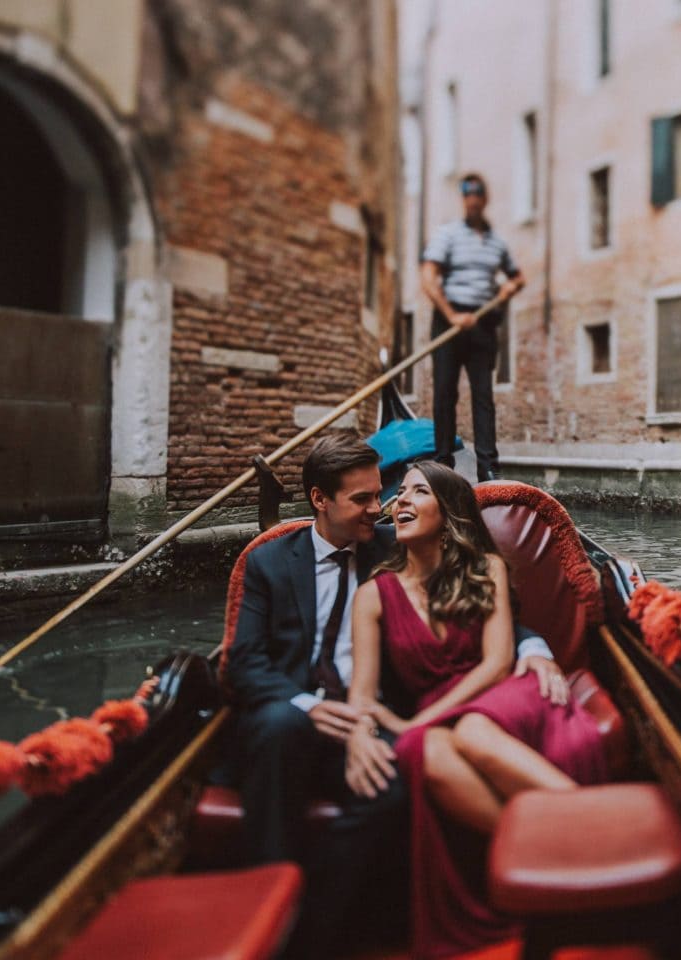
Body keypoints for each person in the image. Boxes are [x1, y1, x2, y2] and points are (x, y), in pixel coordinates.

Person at [226, 435, 569, 957]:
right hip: (295, 711)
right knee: (277, 728)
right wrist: (315, 708)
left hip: (374, 713)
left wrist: (535, 646)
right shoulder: (269, 563)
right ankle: (262, 916)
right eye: (362, 499)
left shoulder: (394, 546)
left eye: (378, 493)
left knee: (393, 789)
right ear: (321, 500)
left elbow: (471, 595)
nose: (378, 507)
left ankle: (312, 933)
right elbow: (245, 666)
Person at [346, 461, 607, 959]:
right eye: (399, 494)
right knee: (425, 749)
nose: (399, 502)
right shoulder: (372, 596)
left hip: (503, 693)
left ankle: (597, 829)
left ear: (447, 514)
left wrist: (411, 722)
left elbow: (495, 664)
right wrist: (363, 726)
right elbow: (361, 693)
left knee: (465, 732)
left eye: (417, 493)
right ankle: (563, 855)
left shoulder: (486, 568)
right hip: (443, 713)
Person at [419, 172, 525, 482]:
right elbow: (428, 277)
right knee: (444, 394)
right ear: (464, 199)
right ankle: (442, 465)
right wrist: (451, 314)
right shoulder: (447, 235)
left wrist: (509, 288)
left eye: (478, 193)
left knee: (483, 395)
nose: (473, 199)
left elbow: (517, 276)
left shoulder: (497, 243)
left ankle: (488, 469)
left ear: (485, 198)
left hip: (482, 323)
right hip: (449, 322)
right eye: (468, 193)